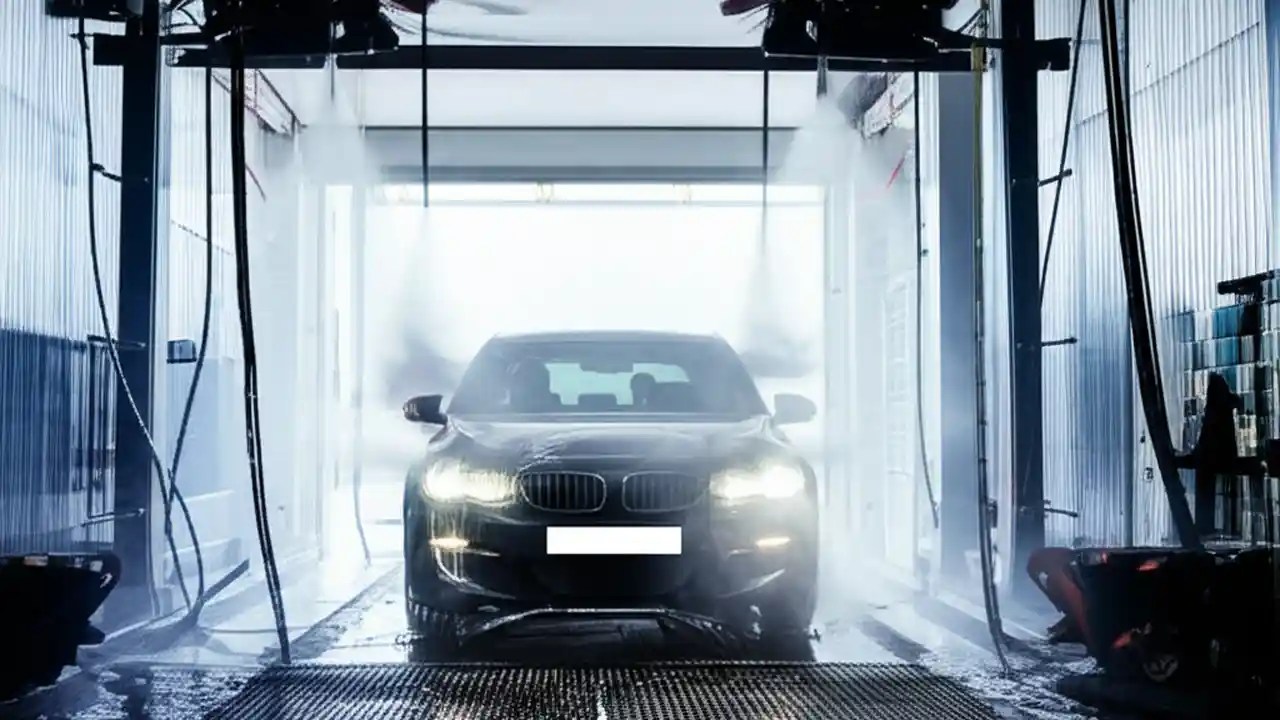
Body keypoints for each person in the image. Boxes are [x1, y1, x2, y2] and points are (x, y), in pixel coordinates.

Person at [1026, 547, 1090, 646]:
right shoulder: (1059, 567)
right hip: (1056, 576)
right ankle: (1061, 630)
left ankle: (1060, 630)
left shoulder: (1060, 561)